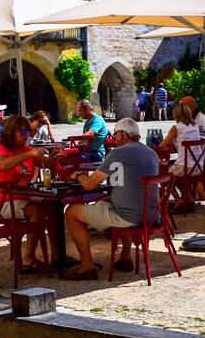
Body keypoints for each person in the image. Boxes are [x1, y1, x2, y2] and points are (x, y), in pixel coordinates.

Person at [63, 118, 159, 278]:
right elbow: (123, 187)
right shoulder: (151, 153)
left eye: (114, 136)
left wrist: (78, 175)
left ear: (121, 135)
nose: (113, 139)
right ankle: (125, 257)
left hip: (129, 216)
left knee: (71, 212)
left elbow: (89, 185)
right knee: (111, 203)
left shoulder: (118, 153)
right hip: (152, 215)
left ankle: (87, 266)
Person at [0, 115, 51, 270]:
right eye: (22, 132)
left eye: (27, 132)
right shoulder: (0, 149)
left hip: (20, 198)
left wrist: (56, 155)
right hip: (0, 204)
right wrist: (30, 154)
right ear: (11, 131)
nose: (26, 135)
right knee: (38, 210)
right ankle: (28, 257)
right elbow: (3, 164)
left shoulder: (26, 150)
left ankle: (56, 255)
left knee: (52, 207)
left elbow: (48, 163)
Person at [159, 101, 205, 182]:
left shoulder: (177, 127)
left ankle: (168, 194)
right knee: (174, 177)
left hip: (184, 168)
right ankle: (186, 194)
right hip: (199, 167)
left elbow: (161, 146)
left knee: (162, 175)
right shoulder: (195, 126)